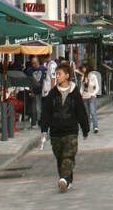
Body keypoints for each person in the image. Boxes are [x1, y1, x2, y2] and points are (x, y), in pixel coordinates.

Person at [39, 59, 89, 192]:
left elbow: (81, 111)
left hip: (70, 130)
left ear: (67, 76)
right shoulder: (52, 94)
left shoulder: (74, 92)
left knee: (69, 155)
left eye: (59, 74)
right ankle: (67, 179)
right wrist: (44, 129)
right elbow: (46, 113)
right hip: (55, 132)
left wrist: (85, 129)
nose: (57, 76)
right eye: (56, 74)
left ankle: (63, 179)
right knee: (60, 158)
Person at [80, 63, 100, 134]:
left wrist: (94, 94)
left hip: (91, 96)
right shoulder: (83, 77)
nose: (82, 69)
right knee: (86, 113)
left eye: (84, 68)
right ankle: (87, 126)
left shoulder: (93, 76)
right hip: (85, 96)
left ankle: (95, 126)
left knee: (93, 111)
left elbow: (97, 86)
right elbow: (82, 87)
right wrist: (80, 94)